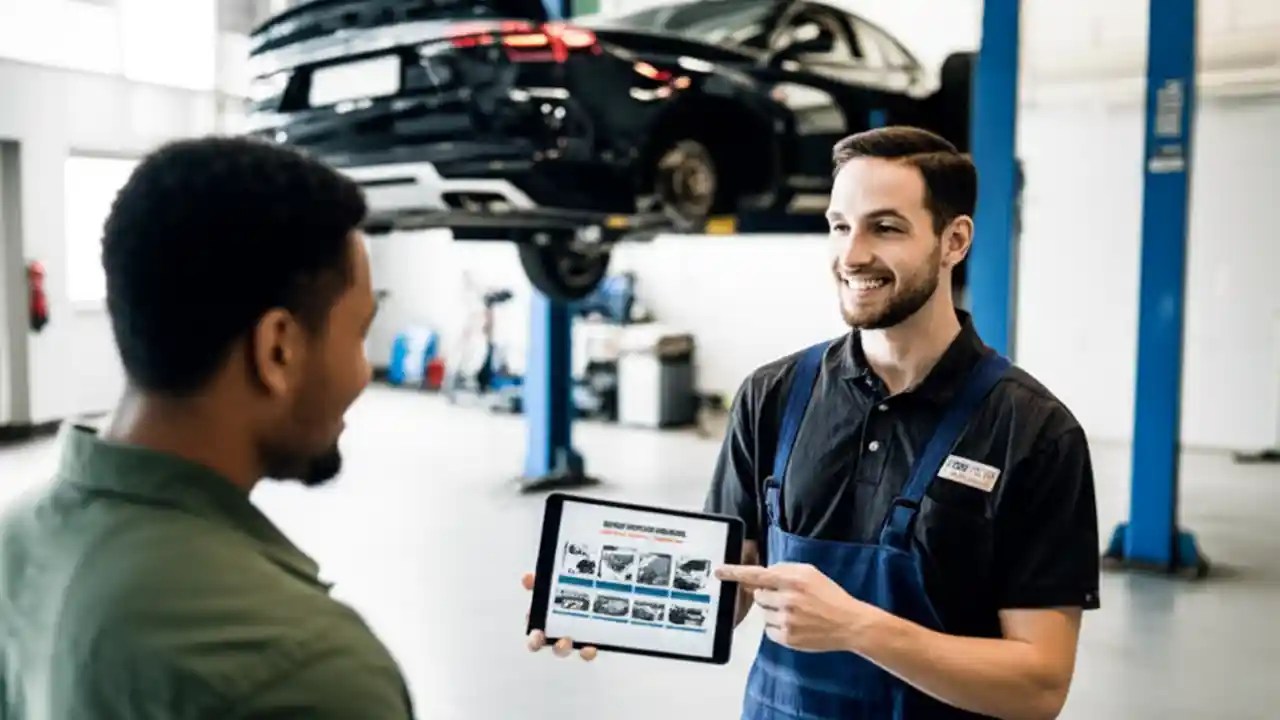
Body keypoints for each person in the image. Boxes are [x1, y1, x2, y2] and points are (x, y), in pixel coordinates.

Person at [527, 126, 1100, 720]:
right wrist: (601, 605)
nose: (852, 256)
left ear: (953, 241)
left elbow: (1038, 687)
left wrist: (859, 628)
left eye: (886, 227)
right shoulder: (772, 396)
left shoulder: (1032, 432)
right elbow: (727, 587)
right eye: (839, 225)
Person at [0, 137, 414, 719]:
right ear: (278, 349)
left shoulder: (13, 544)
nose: (364, 374)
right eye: (359, 333)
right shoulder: (310, 671)